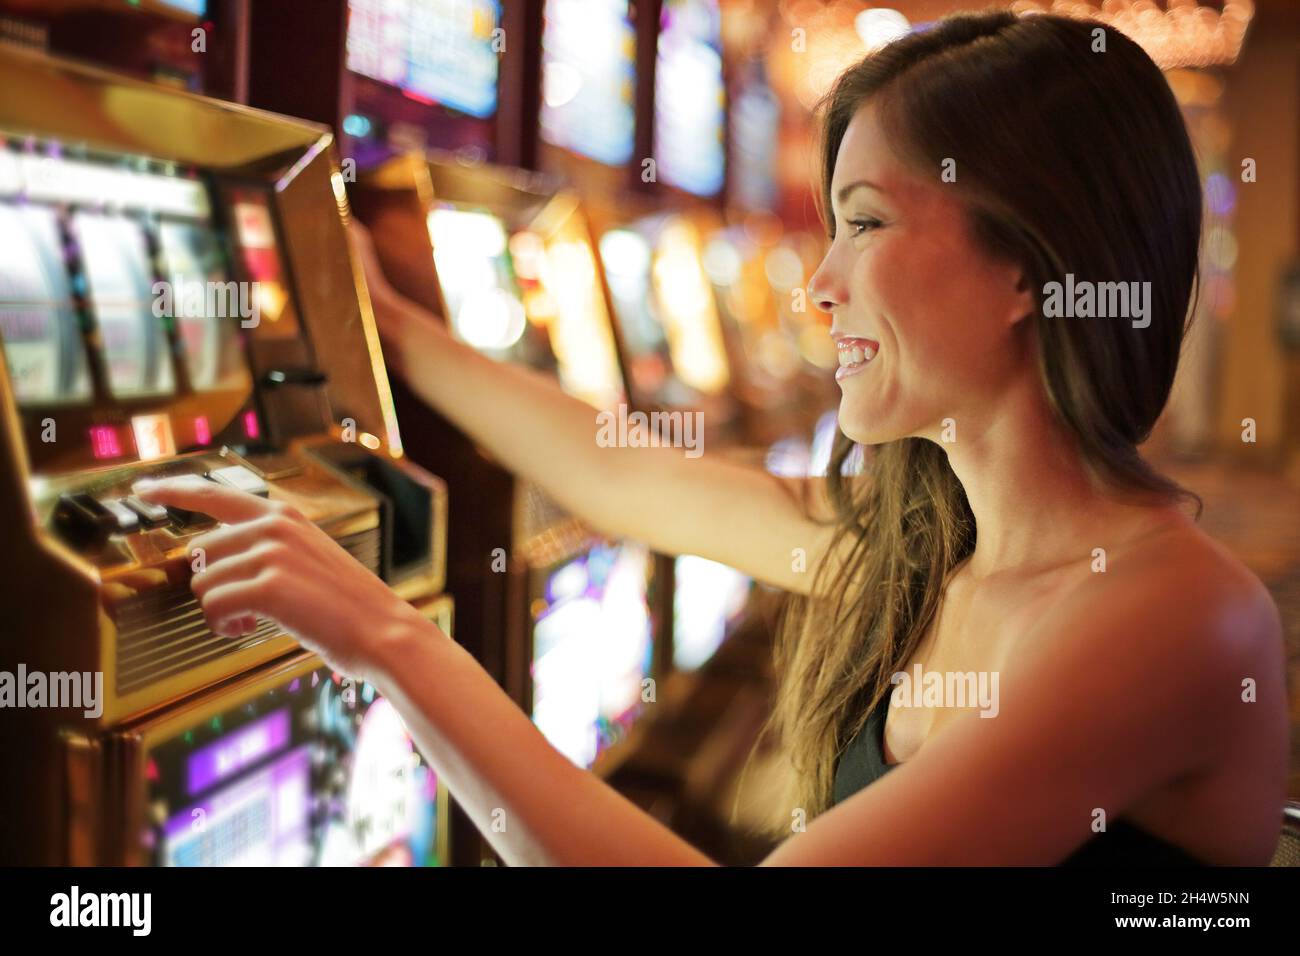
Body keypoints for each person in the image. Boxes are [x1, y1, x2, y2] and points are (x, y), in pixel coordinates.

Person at [137, 11, 1288, 865]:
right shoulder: (938, 536)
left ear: (1029, 269)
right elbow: (619, 471)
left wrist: (390, 637)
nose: (819, 284)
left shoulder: (1175, 616)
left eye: (866, 224)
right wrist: (370, 320)